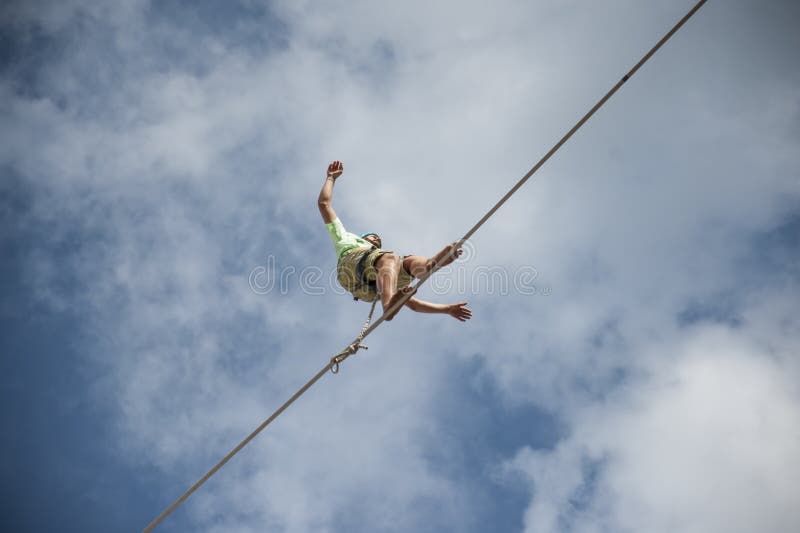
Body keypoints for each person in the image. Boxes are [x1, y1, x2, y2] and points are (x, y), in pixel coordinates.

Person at [318, 160, 472, 322]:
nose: (377, 237)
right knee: (392, 258)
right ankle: (388, 305)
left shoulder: (387, 268)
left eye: (378, 239)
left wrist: (447, 309)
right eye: (372, 236)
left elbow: (412, 304)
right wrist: (330, 178)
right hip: (351, 269)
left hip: (372, 287)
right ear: (363, 239)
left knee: (407, 260)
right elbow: (324, 204)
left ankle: (430, 265)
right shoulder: (346, 238)